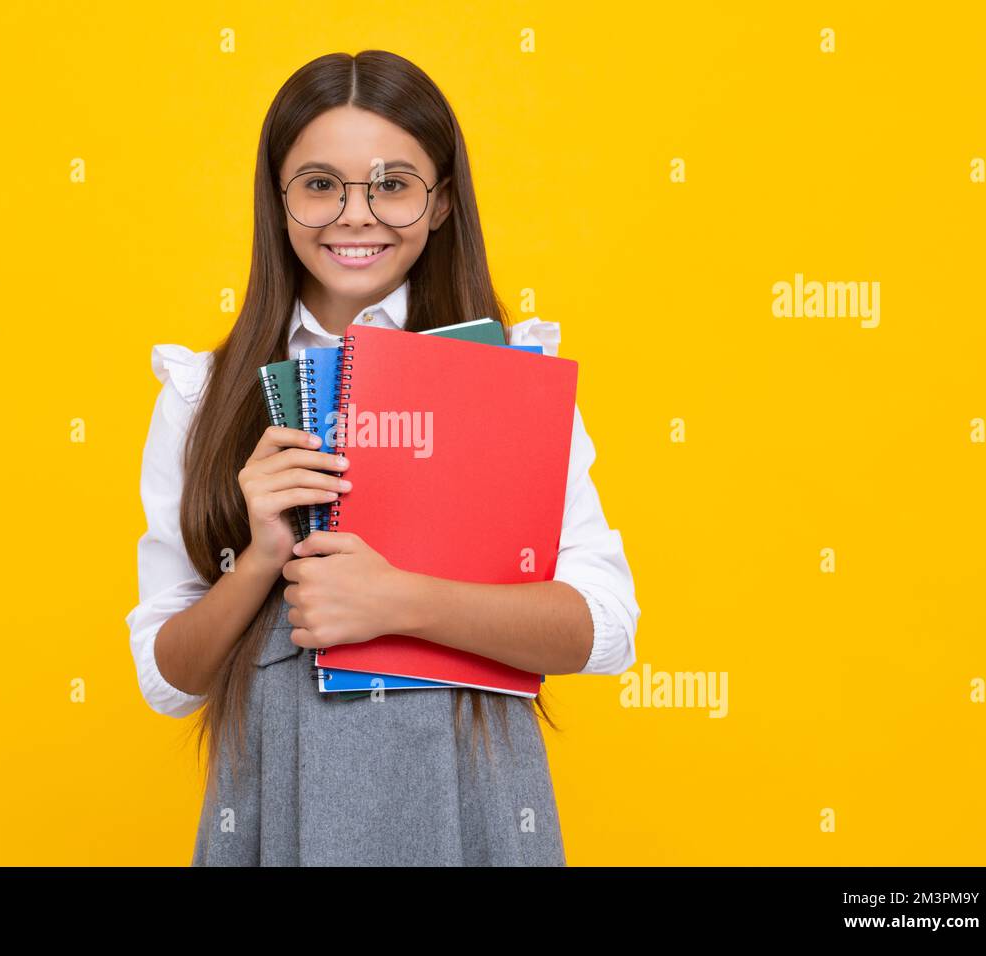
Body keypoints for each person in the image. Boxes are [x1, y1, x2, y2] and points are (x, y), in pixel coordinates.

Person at [125, 50, 640, 866]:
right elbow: (169, 680)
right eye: (320, 183)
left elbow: (605, 631)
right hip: (276, 799)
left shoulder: (511, 378)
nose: (354, 215)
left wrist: (399, 600)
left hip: (467, 797)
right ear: (279, 200)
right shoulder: (202, 395)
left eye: (393, 184)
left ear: (439, 205)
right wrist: (259, 559)